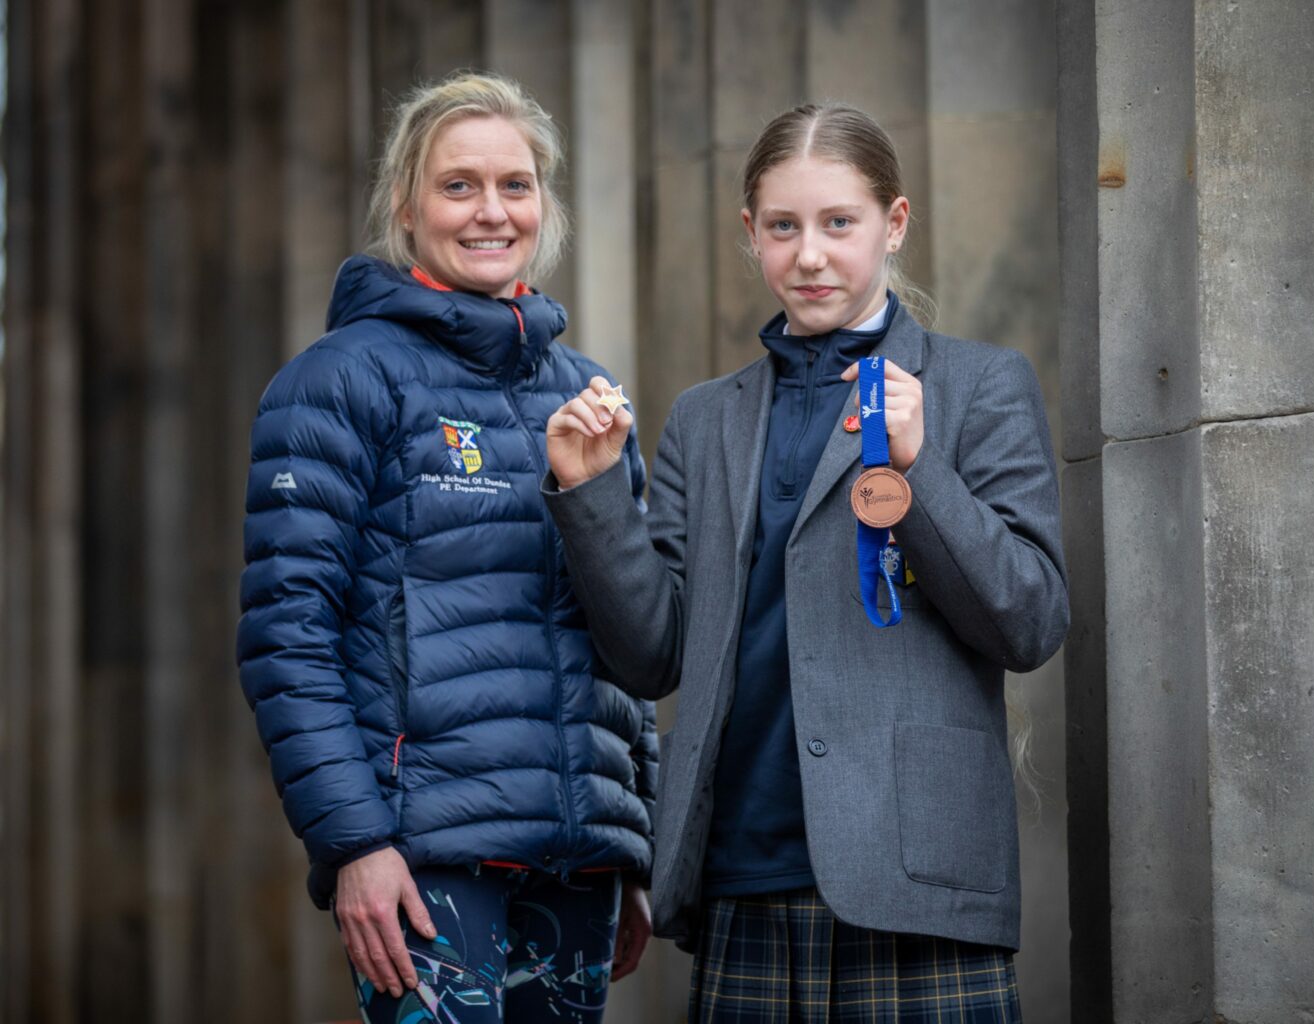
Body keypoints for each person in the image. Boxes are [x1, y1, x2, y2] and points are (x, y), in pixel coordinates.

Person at [543, 103, 1069, 1022]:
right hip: (742, 865)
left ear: (894, 225)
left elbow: (1029, 620)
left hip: (916, 875)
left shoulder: (979, 386)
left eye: (839, 223)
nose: (810, 255)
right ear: (751, 235)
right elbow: (653, 654)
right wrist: (592, 498)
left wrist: (919, 469)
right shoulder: (706, 419)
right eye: (783, 227)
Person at [236, 70, 654, 1023]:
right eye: (458, 184)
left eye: (516, 184)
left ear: (544, 204)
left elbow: (622, 641)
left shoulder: (588, 392)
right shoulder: (338, 381)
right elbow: (286, 634)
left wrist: (632, 838)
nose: (491, 212)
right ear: (406, 204)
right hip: (425, 864)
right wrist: (352, 844)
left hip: (577, 862)